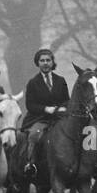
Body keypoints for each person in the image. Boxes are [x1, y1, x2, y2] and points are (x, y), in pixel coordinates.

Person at [19, 48, 70, 178]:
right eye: (42, 61)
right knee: (34, 135)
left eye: (48, 60)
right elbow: (30, 105)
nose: (45, 63)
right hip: (40, 118)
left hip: (59, 118)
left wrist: (63, 108)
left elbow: (66, 100)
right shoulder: (33, 83)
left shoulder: (61, 80)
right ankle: (30, 164)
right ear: (38, 63)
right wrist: (46, 109)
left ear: (52, 62)